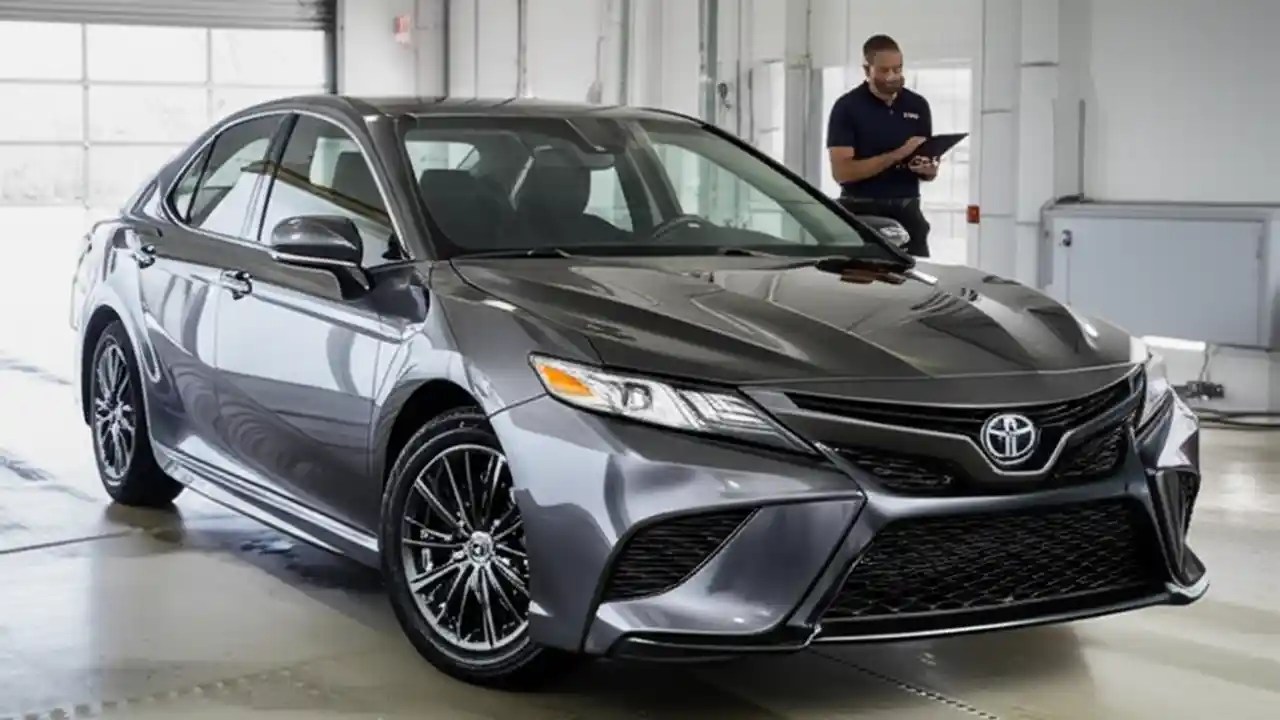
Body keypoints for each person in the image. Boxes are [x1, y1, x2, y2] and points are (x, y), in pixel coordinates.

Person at [826, 34, 938, 257]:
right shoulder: (847, 107)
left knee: (916, 274)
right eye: (884, 70)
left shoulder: (918, 105)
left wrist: (928, 170)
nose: (892, 76)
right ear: (867, 70)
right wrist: (897, 154)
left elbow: (927, 166)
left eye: (897, 69)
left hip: (908, 210)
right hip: (862, 210)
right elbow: (842, 172)